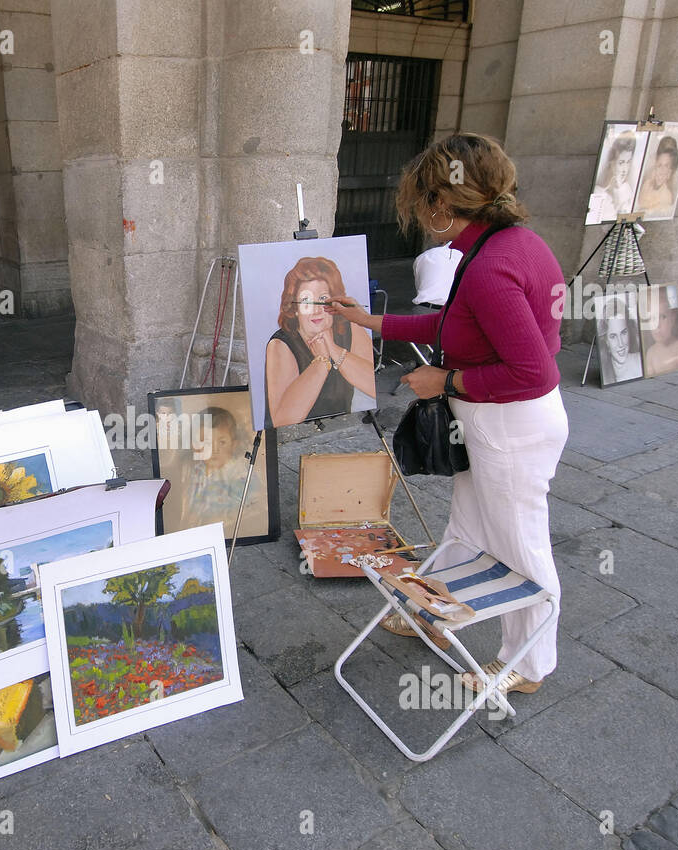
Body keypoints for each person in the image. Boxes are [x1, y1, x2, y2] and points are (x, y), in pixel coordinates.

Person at [326, 132, 568, 697]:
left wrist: (447, 379)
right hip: (496, 418)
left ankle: (528, 665)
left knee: (520, 545)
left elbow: (535, 371)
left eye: (421, 200)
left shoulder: (490, 265)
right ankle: (432, 613)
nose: (418, 213)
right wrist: (372, 322)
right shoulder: (511, 244)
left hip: (510, 423)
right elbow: (455, 325)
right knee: (468, 526)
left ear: (442, 201)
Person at [264, 256, 376, 428]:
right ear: (294, 309)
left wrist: (334, 349)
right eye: (307, 301)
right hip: (296, 436)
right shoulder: (281, 344)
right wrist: (322, 362)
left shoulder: (349, 327)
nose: (316, 310)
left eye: (323, 298)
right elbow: (283, 419)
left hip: (340, 427)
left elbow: (372, 385)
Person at [177, 406, 262, 531]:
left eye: (222, 442)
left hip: (229, 527)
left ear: (234, 445)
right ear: (194, 446)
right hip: (200, 527)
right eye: (206, 442)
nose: (214, 449)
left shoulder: (238, 472)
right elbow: (191, 501)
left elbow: (251, 505)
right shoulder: (197, 470)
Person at [586, 132, 639, 224]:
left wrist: (619, 189)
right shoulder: (599, 191)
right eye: (621, 162)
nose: (624, 170)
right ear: (612, 163)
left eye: (628, 162)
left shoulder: (627, 190)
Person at [597, 295, 643, 383]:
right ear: (606, 340)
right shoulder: (605, 371)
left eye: (623, 333)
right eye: (613, 336)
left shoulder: (640, 363)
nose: (620, 343)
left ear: (630, 331)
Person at [638, 136, 678, 216]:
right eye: (660, 165)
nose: (662, 171)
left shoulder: (667, 194)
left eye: (667, 166)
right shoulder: (647, 182)